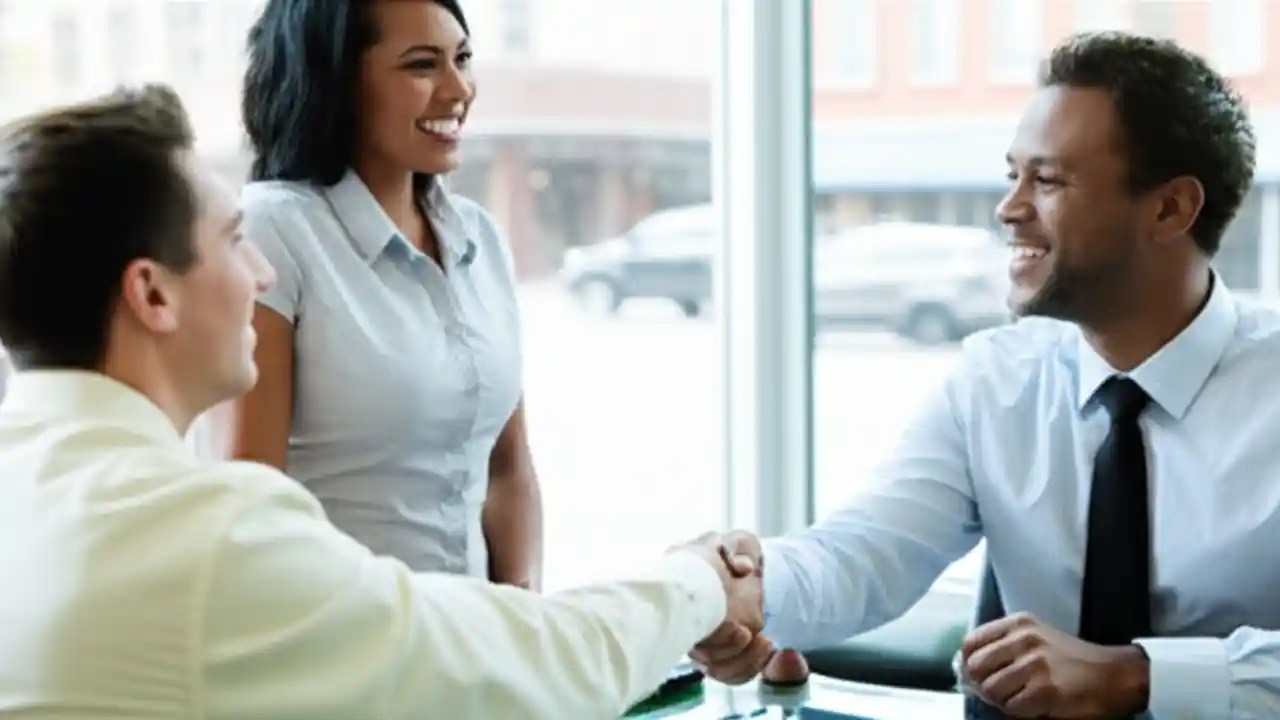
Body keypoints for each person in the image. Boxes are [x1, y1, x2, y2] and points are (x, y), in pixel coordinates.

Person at [0, 84, 768, 718]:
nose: (262, 274)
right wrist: (699, 579)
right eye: (234, 240)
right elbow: (524, 668)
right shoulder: (210, 538)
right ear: (152, 294)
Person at [691, 32, 1280, 720]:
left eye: (1047, 180)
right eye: (1013, 176)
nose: (1009, 208)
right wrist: (741, 587)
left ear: (1170, 209)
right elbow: (867, 551)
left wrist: (1137, 676)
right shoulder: (995, 380)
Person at [229, 0, 541, 586]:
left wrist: (524, 618)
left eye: (462, 59)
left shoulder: (479, 237)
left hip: (479, 633)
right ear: (335, 81)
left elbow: (508, 472)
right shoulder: (272, 229)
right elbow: (252, 501)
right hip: (339, 629)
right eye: (422, 65)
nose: (459, 90)